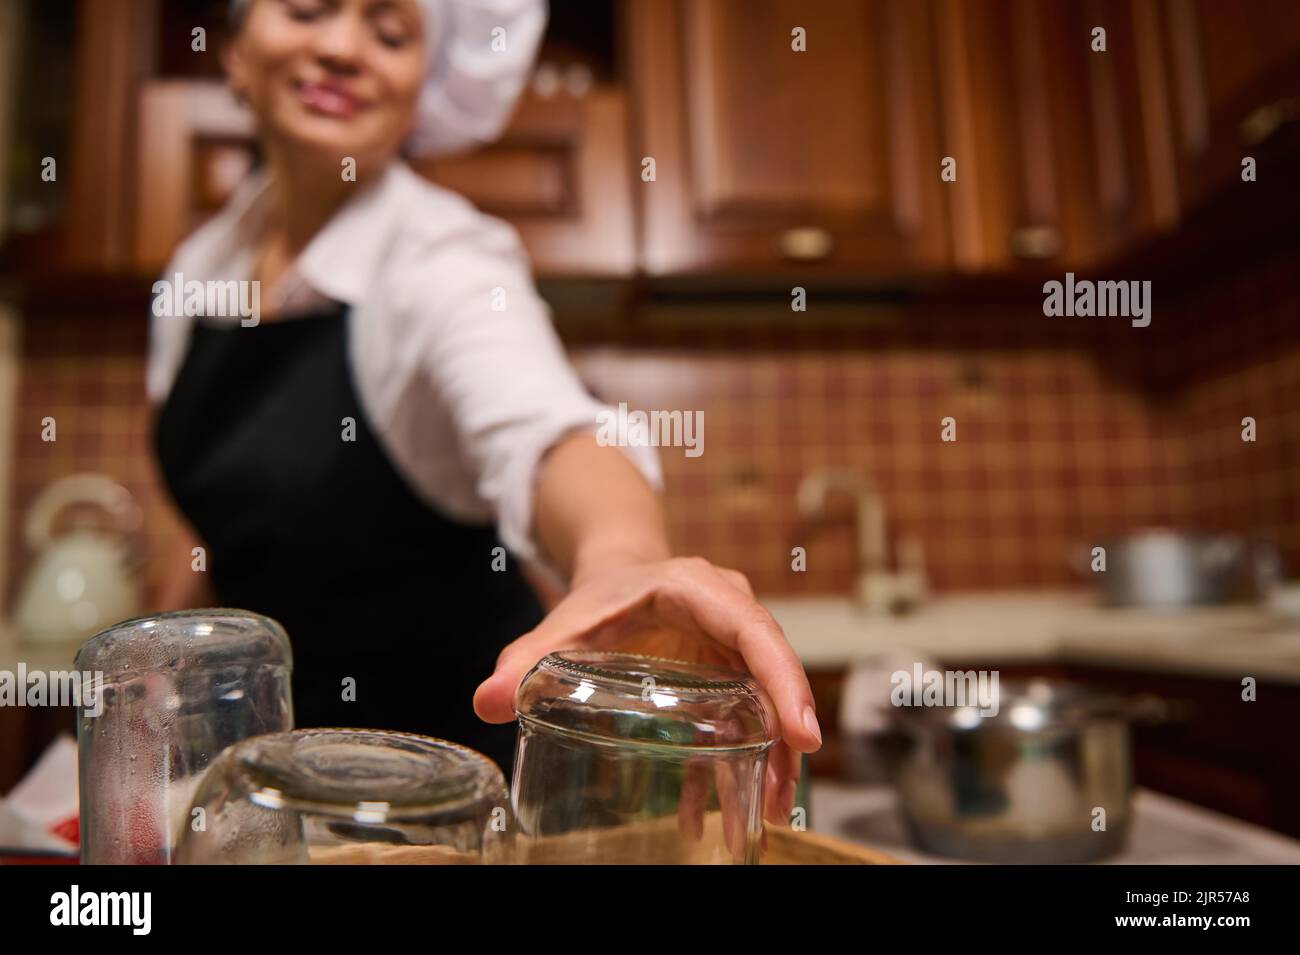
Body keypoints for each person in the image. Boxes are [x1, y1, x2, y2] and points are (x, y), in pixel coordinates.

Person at [149, 0, 819, 824]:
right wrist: (154, 683)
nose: (344, 48)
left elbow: (547, 428)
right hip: (267, 783)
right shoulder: (197, 270)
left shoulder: (444, 259)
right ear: (237, 49)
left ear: (424, 89)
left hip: (449, 798)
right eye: (307, 8)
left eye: (391, 34)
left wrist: (620, 559)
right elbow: (215, 519)